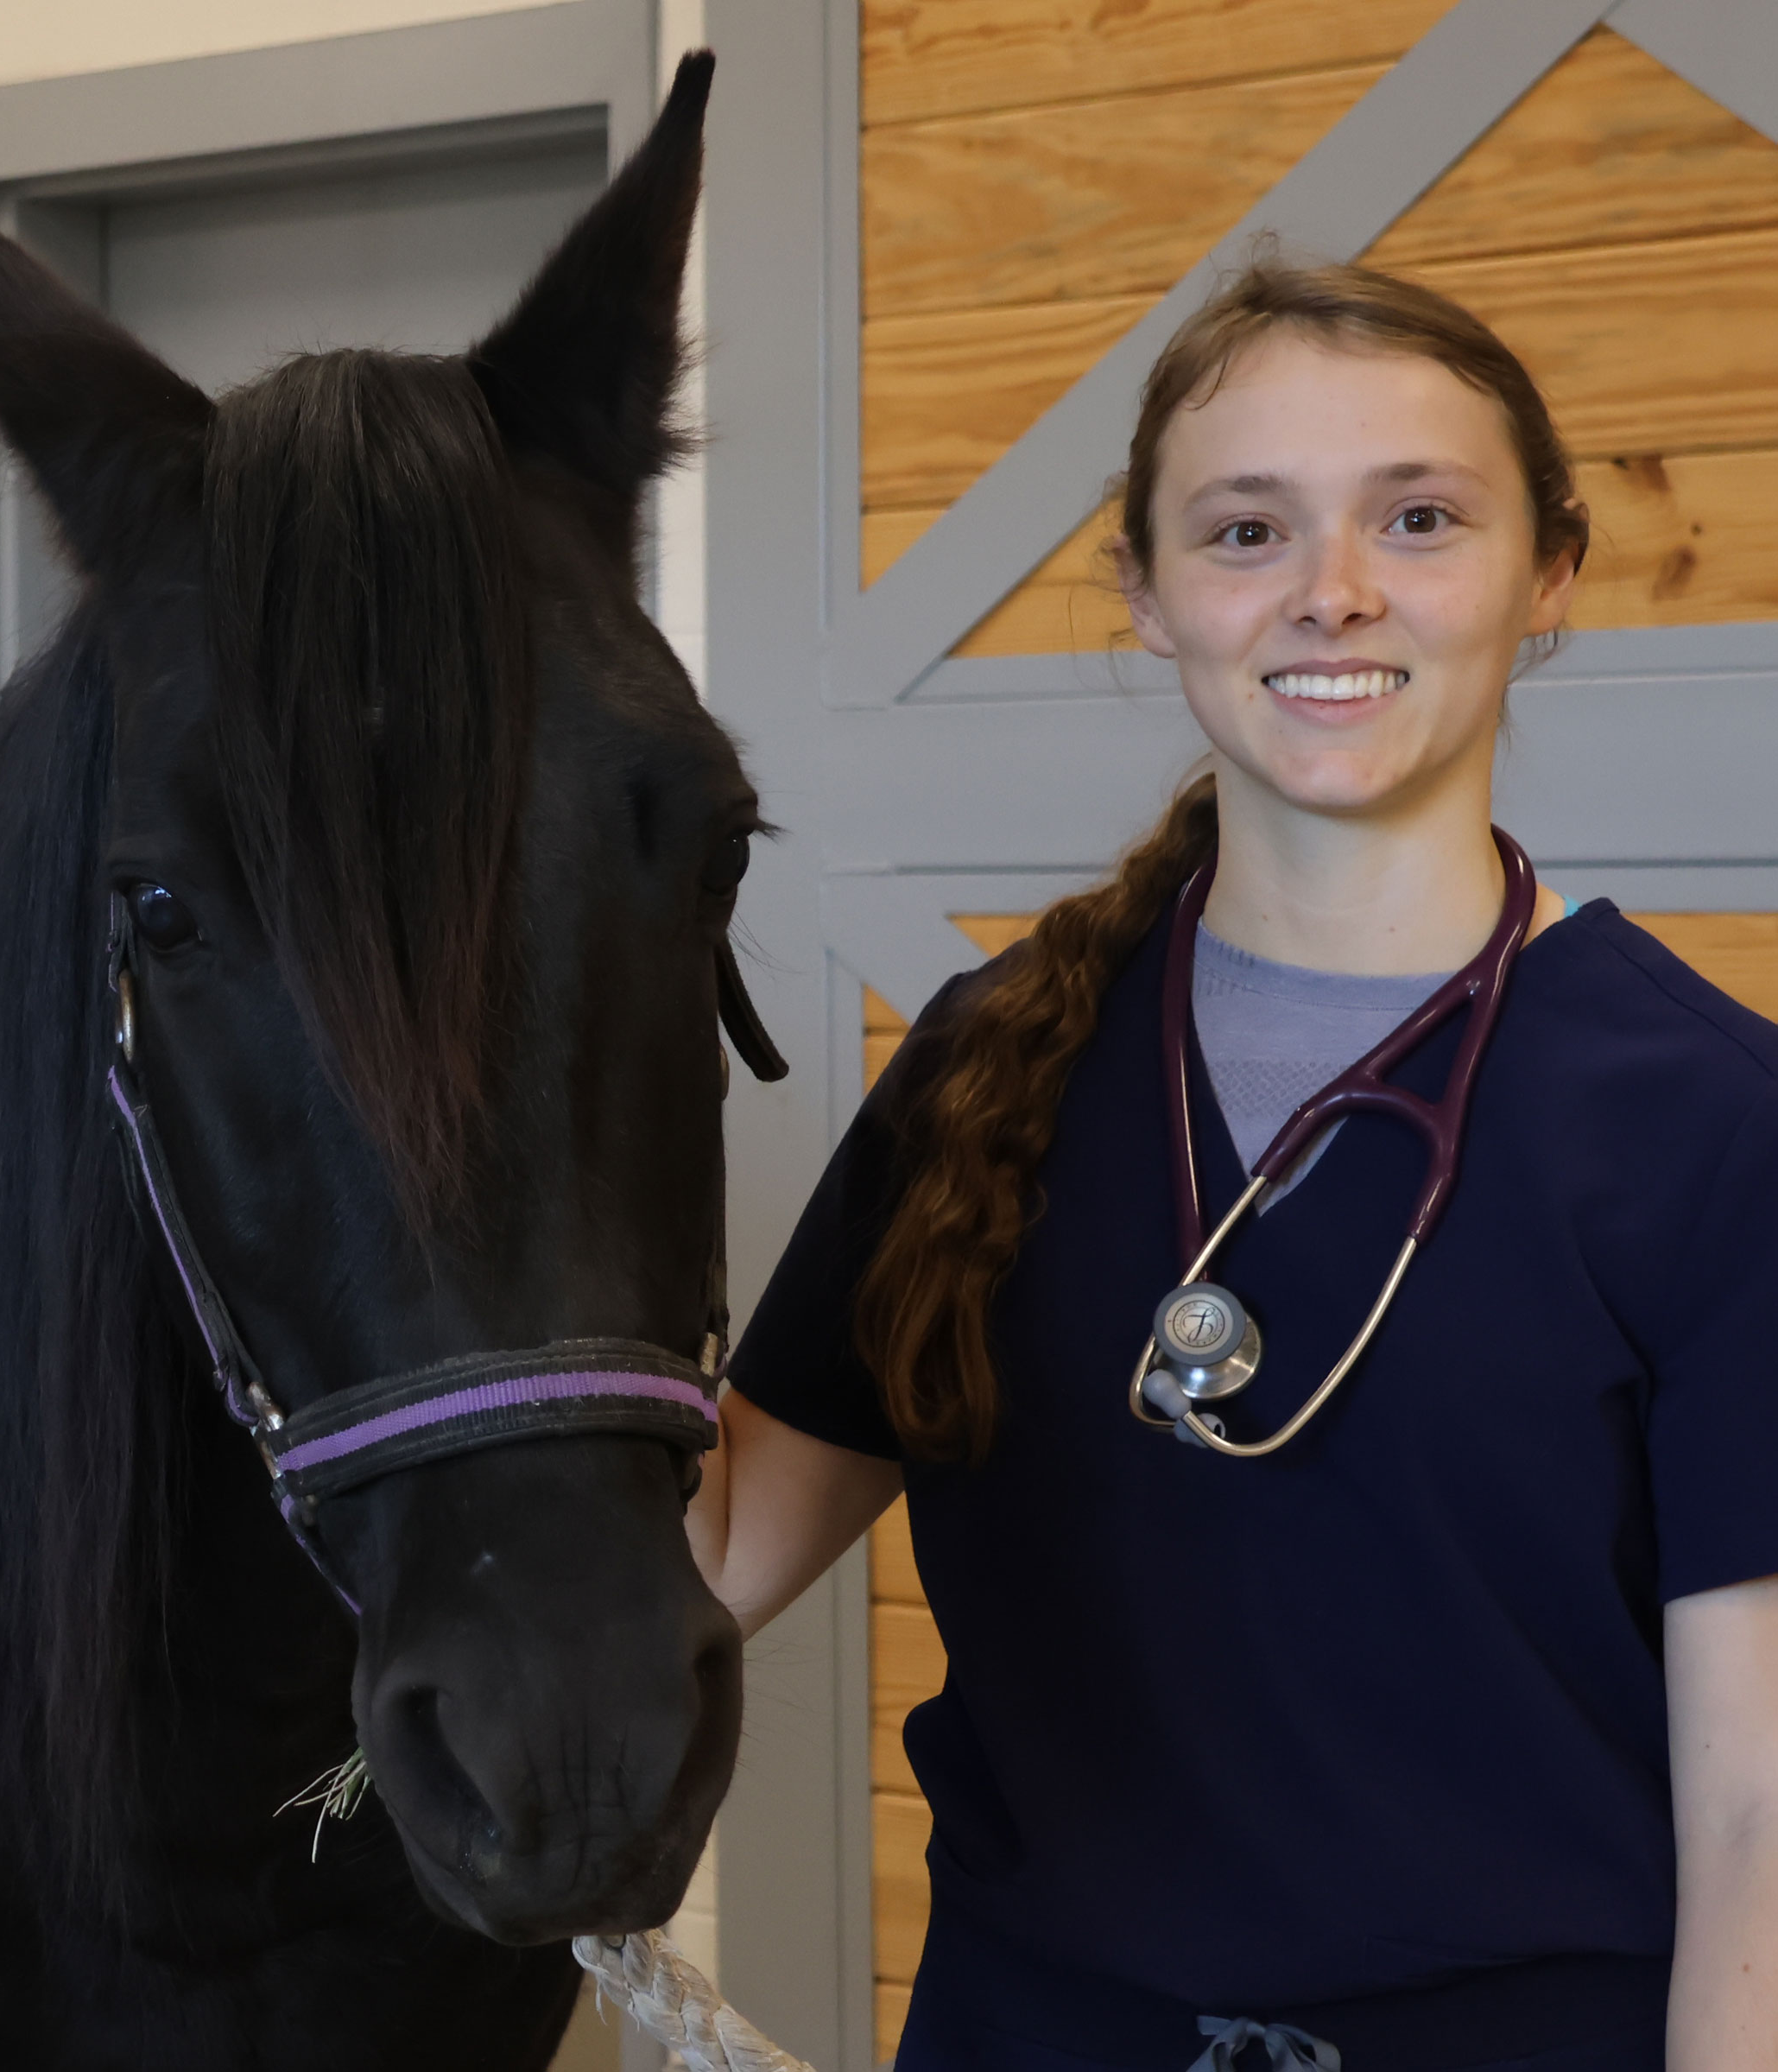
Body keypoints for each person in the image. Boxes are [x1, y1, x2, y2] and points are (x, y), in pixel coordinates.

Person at [690, 260, 1778, 2069]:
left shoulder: (1710, 1125)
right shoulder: (984, 1068)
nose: (1331, 592)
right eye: (1245, 529)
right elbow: (707, 1557)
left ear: (1549, 570)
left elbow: (1753, 1820)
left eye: (1416, 518)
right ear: (1142, 593)